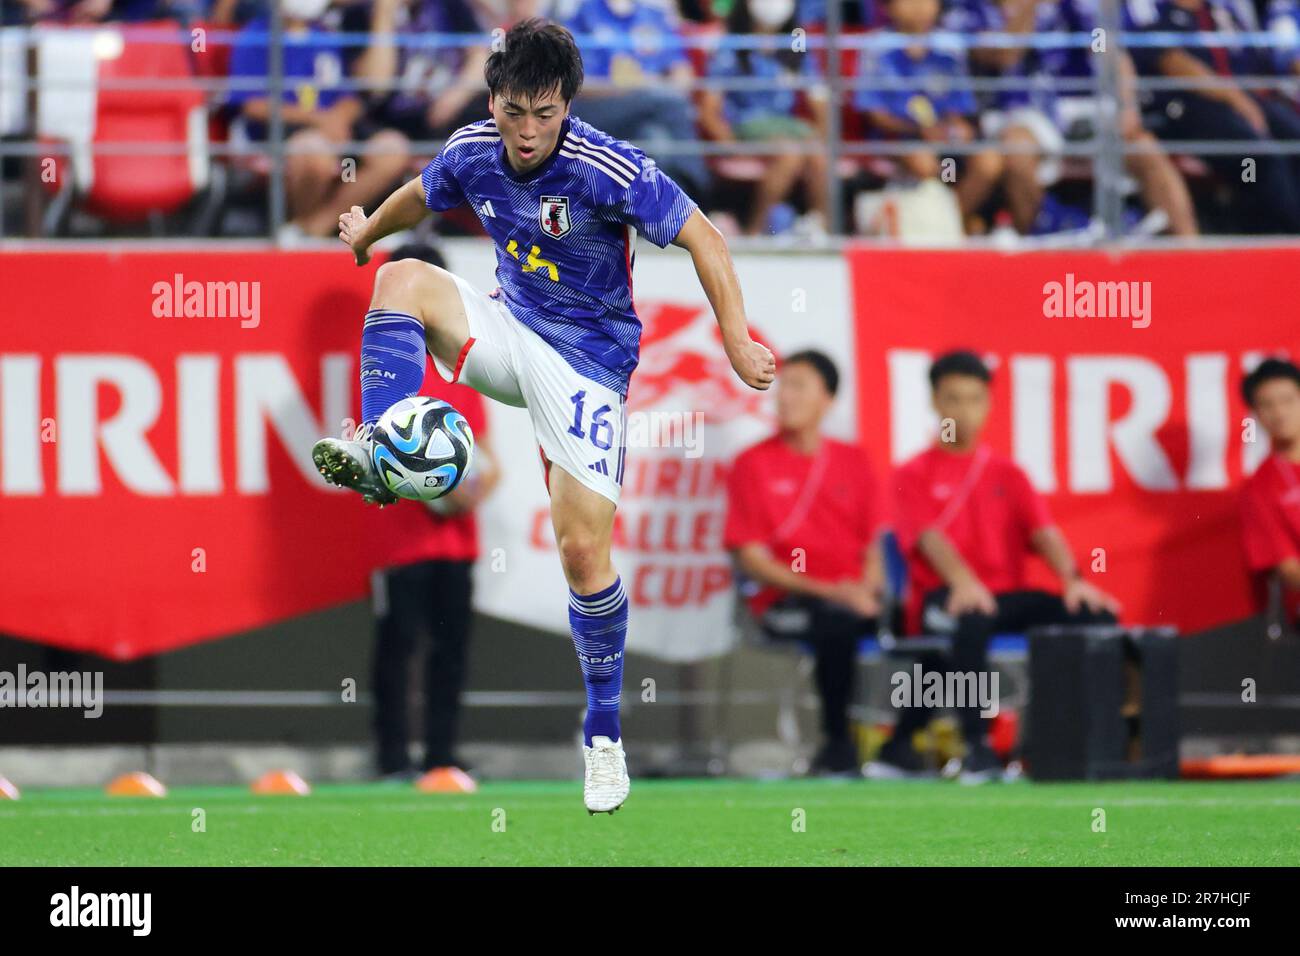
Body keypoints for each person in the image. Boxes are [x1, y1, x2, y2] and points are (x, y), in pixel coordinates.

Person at [310, 18, 775, 813]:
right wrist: (363, 235)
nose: (527, 131)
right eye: (513, 110)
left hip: (589, 367)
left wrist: (734, 335)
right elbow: (419, 194)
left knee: (581, 554)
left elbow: (702, 236)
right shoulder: (470, 149)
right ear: (493, 98)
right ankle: (384, 443)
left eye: (544, 113)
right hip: (509, 326)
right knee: (404, 278)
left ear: (567, 106)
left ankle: (602, 739)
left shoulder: (606, 166)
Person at [875, 350, 1120, 782]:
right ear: (934, 402)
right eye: (952, 398)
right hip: (941, 598)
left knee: (1092, 614)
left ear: (988, 404)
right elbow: (929, 538)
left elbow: (1044, 533)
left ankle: (1086, 745)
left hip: (1004, 597)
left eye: (974, 399)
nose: (964, 411)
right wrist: (964, 582)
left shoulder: (1009, 473)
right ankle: (979, 748)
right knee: (970, 619)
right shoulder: (912, 474)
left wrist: (1074, 580)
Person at [369, 242, 501, 782]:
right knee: (397, 647)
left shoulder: (460, 367)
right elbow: (374, 452)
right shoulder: (381, 370)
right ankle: (393, 757)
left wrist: (471, 492)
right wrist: (442, 494)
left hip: (457, 542)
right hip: (399, 541)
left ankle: (443, 755)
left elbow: (488, 462)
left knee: (450, 652)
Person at [724, 351, 887, 774]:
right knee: (835, 622)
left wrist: (868, 590)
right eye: (783, 385)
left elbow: (875, 543)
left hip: (855, 600)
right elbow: (752, 559)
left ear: (828, 399)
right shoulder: (752, 464)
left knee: (934, 623)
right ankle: (838, 744)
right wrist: (836, 593)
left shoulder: (855, 461)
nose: (785, 397)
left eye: (799, 386)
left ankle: (904, 745)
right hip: (786, 605)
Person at [946, 0, 1197, 237]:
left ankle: (1193, 255)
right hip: (1015, 112)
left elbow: (1109, 50)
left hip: (1076, 107)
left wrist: (1126, 105)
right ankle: (1038, 249)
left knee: (1144, 148)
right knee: (1017, 151)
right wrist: (1029, 5)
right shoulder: (972, 9)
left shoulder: (1072, 5)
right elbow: (1003, 56)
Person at [226, 0, 411, 238]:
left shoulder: (326, 37)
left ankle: (315, 228)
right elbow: (252, 104)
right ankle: (303, 227)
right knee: (314, 153)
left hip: (334, 130)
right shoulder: (254, 36)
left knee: (392, 149)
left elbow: (351, 97)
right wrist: (319, 120)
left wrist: (338, 120)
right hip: (281, 132)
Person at [1138, 0, 1300, 233]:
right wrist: (1235, 97)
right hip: (1185, 107)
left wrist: (1247, 96)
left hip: (1242, 100)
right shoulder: (1158, 12)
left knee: (1293, 137)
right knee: (1256, 159)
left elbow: (1250, 63)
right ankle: (1284, 233)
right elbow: (1170, 60)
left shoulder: (1222, 12)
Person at [854, 0, 1005, 234]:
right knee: (924, 163)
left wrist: (956, 128)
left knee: (988, 162)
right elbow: (874, 113)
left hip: (944, 142)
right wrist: (916, 130)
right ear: (889, 7)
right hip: (900, 140)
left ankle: (950, 227)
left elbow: (959, 105)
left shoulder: (949, 46)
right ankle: (956, 226)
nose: (919, 7)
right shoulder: (877, 47)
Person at [697, 0, 832, 236]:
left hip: (787, 125)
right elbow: (709, 107)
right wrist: (728, 144)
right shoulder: (731, 43)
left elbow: (818, 96)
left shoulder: (796, 43)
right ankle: (755, 229)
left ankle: (821, 227)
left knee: (819, 154)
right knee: (790, 154)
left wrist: (822, 129)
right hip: (748, 124)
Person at [1239, 358, 1300, 627]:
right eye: (1267, 405)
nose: (1279, 413)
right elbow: (1288, 569)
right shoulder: (1260, 487)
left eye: (1288, 400)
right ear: (1255, 413)